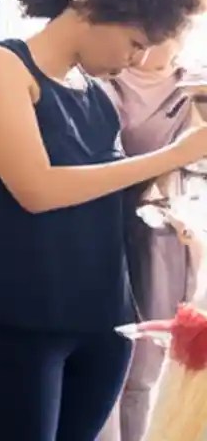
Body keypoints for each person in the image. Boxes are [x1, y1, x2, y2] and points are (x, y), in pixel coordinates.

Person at [0, 0, 207, 440]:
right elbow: (36, 188)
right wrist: (174, 153)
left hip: (102, 321)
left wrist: (173, 203)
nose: (137, 61)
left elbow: (101, 195)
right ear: (94, 6)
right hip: (18, 316)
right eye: (135, 42)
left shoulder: (96, 97)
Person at [98, 36, 196, 441]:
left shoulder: (193, 85)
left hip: (166, 236)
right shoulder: (103, 80)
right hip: (105, 227)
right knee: (105, 363)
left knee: (146, 368)